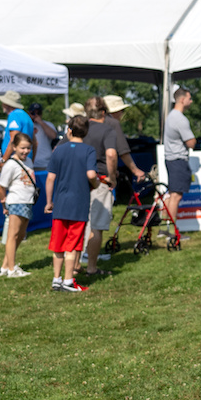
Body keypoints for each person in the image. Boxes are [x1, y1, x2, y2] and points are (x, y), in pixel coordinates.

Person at [80, 94, 148, 273]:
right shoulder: (111, 125)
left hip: (79, 179)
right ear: (107, 111)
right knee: (97, 224)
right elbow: (117, 152)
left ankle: (77, 262)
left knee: (82, 221)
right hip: (100, 179)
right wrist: (120, 175)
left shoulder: (81, 124)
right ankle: (91, 265)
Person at [44, 114, 98, 292]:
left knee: (58, 244)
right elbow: (91, 174)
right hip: (79, 204)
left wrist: (49, 201)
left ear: (69, 130)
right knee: (73, 244)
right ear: (86, 132)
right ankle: (68, 281)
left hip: (60, 203)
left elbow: (50, 178)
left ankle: (56, 279)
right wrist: (97, 184)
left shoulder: (58, 150)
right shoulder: (89, 150)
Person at [0, 133, 36, 278]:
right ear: (14, 147)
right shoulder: (10, 165)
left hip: (28, 201)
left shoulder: (29, 161)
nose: (25, 151)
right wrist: (4, 203)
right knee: (12, 235)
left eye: (28, 148)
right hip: (16, 201)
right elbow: (1, 187)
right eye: (22, 148)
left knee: (20, 235)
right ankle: (12, 269)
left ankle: (5, 266)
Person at [162, 86, 197, 232]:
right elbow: (191, 142)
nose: (191, 101)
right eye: (189, 98)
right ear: (182, 100)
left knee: (171, 195)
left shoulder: (171, 116)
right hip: (178, 160)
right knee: (176, 196)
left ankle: (164, 229)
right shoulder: (180, 119)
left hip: (171, 159)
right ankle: (171, 232)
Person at [0, 92, 35, 165]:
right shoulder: (26, 116)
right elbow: (35, 142)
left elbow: (13, 139)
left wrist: (4, 160)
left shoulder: (14, 115)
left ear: (7, 104)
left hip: (15, 160)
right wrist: (31, 161)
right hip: (25, 160)